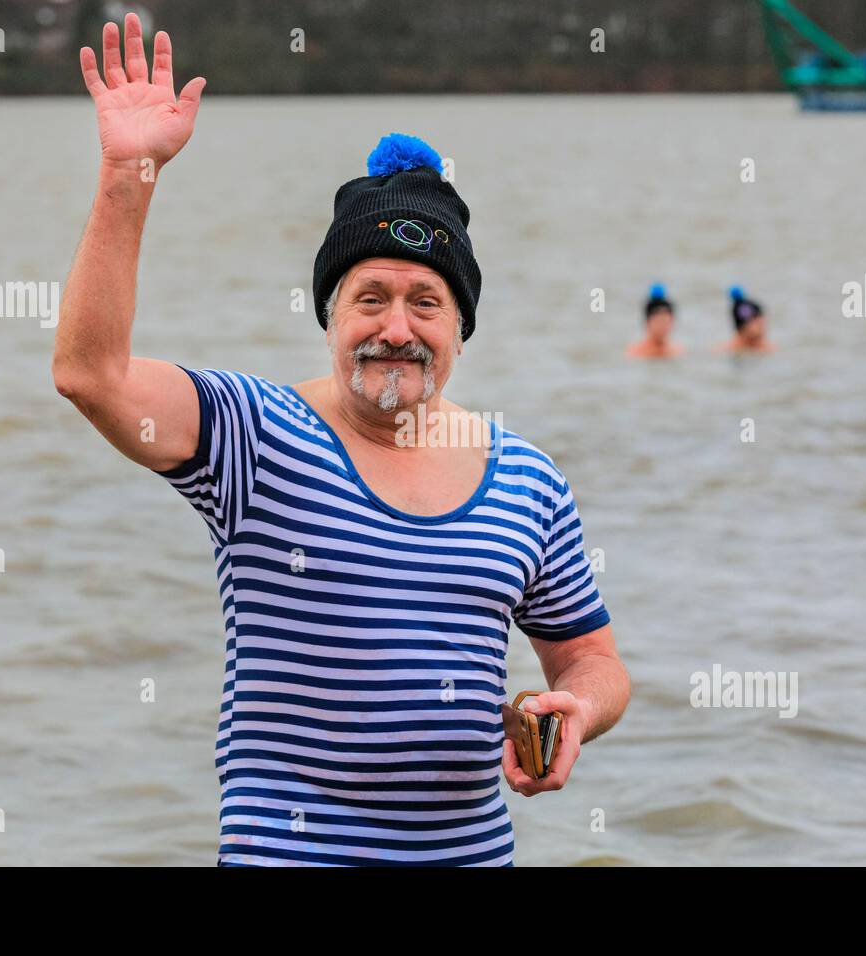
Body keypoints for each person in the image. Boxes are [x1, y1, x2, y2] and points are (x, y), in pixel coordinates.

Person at [54, 13, 630, 867]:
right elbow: (90, 375)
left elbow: (592, 659)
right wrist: (127, 172)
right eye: (369, 298)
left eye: (425, 303)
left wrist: (575, 708)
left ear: (460, 330)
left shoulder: (526, 479)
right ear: (329, 315)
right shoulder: (255, 435)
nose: (395, 328)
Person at [626, 282, 684, 358]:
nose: (663, 327)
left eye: (666, 322)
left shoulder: (677, 352)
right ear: (648, 322)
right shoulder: (635, 353)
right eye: (659, 321)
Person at [717, 285, 774, 352]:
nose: (763, 328)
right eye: (758, 323)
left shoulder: (768, 349)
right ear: (744, 326)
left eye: (763, 323)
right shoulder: (724, 350)